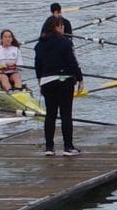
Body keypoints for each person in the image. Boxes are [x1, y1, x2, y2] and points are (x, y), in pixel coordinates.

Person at [33, 15, 83, 157]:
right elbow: (72, 62)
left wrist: (40, 82)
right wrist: (80, 78)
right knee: (66, 114)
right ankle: (68, 147)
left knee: (50, 115)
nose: (63, 28)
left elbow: (38, 66)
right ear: (56, 27)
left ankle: (49, 147)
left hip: (47, 81)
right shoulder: (65, 42)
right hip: (64, 80)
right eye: (61, 26)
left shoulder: (39, 45)